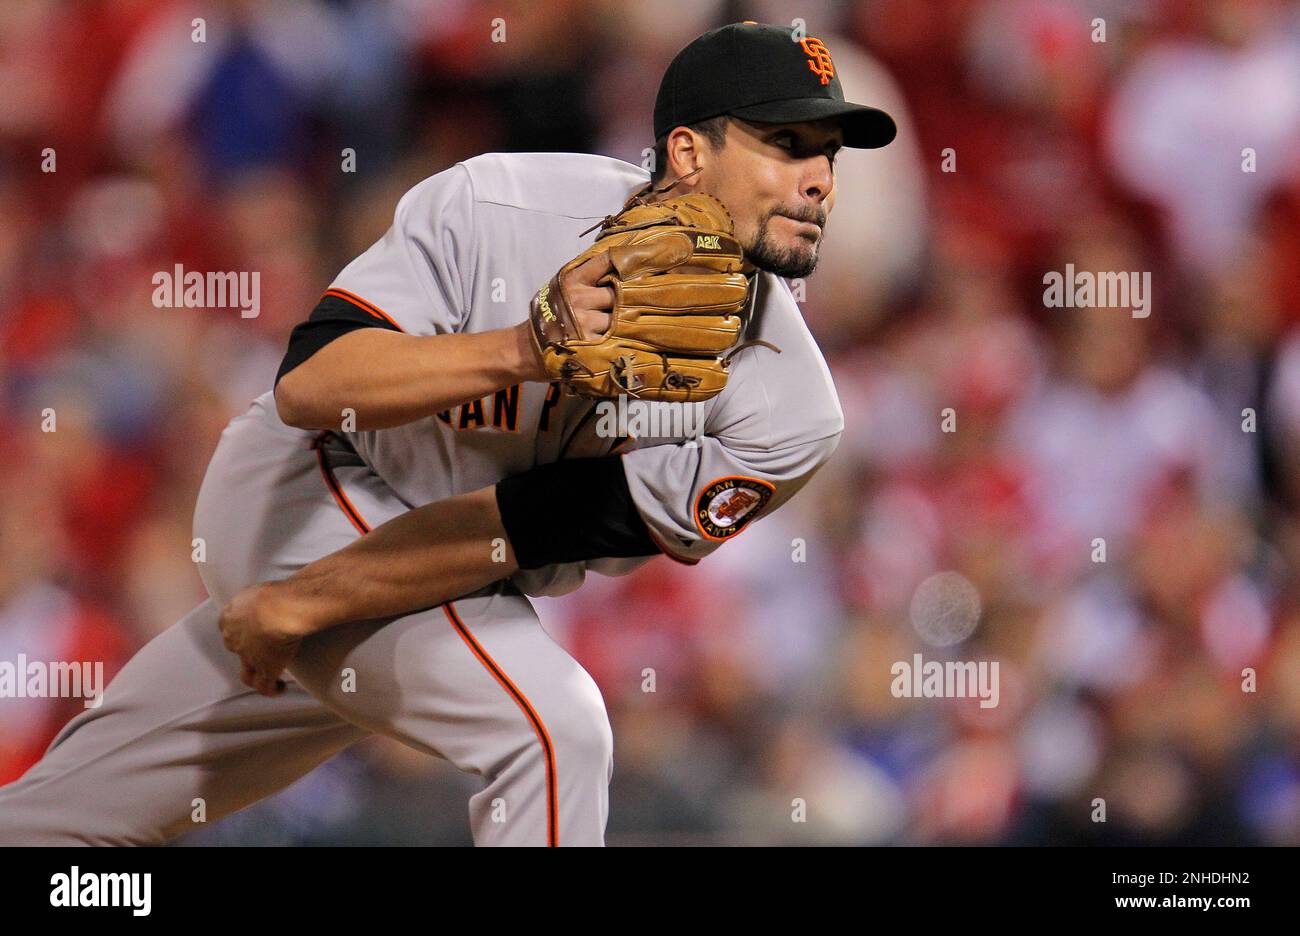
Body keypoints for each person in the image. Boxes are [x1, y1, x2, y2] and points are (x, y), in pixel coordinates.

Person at [0, 22, 895, 846]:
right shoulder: (500, 206)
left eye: (829, 153)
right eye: (786, 144)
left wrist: (305, 606)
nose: (820, 177)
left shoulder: (790, 414)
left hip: (445, 575)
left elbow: (525, 523)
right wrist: (522, 349)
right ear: (689, 153)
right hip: (311, 486)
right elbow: (312, 388)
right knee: (556, 732)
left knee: (68, 820)